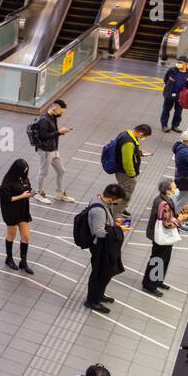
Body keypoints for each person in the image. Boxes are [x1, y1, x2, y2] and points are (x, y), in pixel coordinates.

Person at [82, 184, 130, 313]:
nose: (116, 203)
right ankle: (92, 301)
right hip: (100, 246)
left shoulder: (98, 198)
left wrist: (114, 223)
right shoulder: (98, 210)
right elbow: (99, 232)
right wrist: (119, 229)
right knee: (100, 273)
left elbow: (104, 223)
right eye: (116, 201)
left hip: (103, 245)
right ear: (110, 199)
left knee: (104, 273)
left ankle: (98, 295)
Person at [143, 179, 187, 295]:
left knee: (164, 259)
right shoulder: (163, 203)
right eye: (173, 187)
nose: (176, 188)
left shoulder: (165, 199)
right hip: (160, 236)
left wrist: (182, 213)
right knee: (158, 259)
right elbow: (167, 224)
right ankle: (149, 285)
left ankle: (158, 280)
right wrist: (180, 220)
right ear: (167, 190)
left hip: (164, 236)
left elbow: (171, 216)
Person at [28, 99, 76, 204]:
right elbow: (43, 136)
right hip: (45, 150)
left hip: (53, 149)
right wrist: (59, 132)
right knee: (43, 172)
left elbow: (52, 133)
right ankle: (39, 193)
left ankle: (60, 193)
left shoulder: (53, 117)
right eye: (61, 112)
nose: (61, 114)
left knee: (61, 170)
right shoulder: (44, 120)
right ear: (55, 108)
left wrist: (59, 132)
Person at [0, 158, 35, 274]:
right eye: (24, 170)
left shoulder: (24, 178)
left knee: (26, 236)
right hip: (11, 212)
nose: (25, 172)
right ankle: (9, 258)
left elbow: (27, 191)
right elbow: (6, 199)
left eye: (26, 170)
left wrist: (31, 194)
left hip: (23, 210)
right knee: (11, 234)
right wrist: (22, 196)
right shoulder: (6, 184)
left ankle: (23, 261)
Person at [112, 124, 152, 217]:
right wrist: (131, 174)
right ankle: (116, 214)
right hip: (125, 172)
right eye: (144, 136)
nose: (143, 138)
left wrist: (138, 152)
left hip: (120, 170)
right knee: (126, 193)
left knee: (121, 189)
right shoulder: (129, 142)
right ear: (141, 132)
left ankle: (121, 208)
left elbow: (126, 152)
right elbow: (127, 161)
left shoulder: (125, 133)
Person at [162, 56, 188, 132]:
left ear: (186, 64)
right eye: (177, 62)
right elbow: (165, 79)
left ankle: (175, 126)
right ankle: (164, 125)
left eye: (180, 63)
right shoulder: (171, 70)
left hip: (181, 97)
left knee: (178, 112)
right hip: (169, 94)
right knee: (166, 110)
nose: (178, 64)